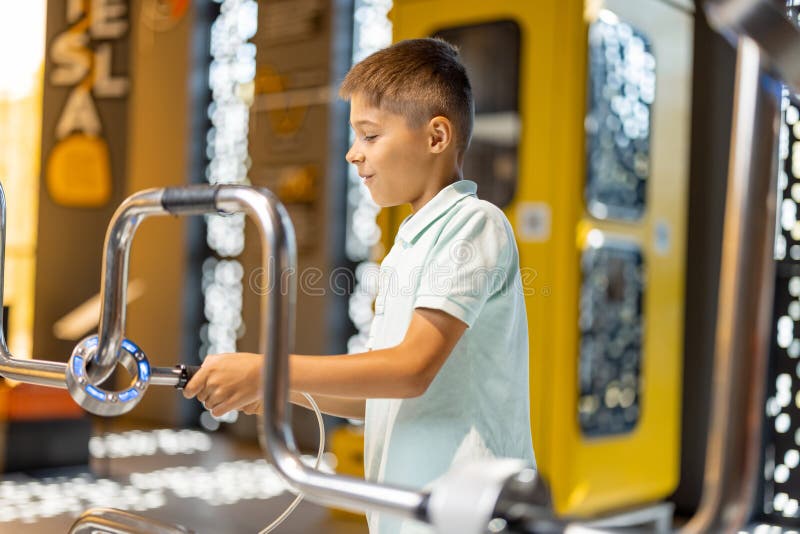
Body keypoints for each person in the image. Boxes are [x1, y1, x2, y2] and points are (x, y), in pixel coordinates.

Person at [184, 37, 535, 534]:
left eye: (369, 136)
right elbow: (383, 394)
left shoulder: (475, 222)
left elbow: (411, 369)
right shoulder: (406, 247)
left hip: (465, 511)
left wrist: (270, 370)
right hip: (404, 512)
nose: (353, 154)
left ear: (436, 137)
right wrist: (284, 391)